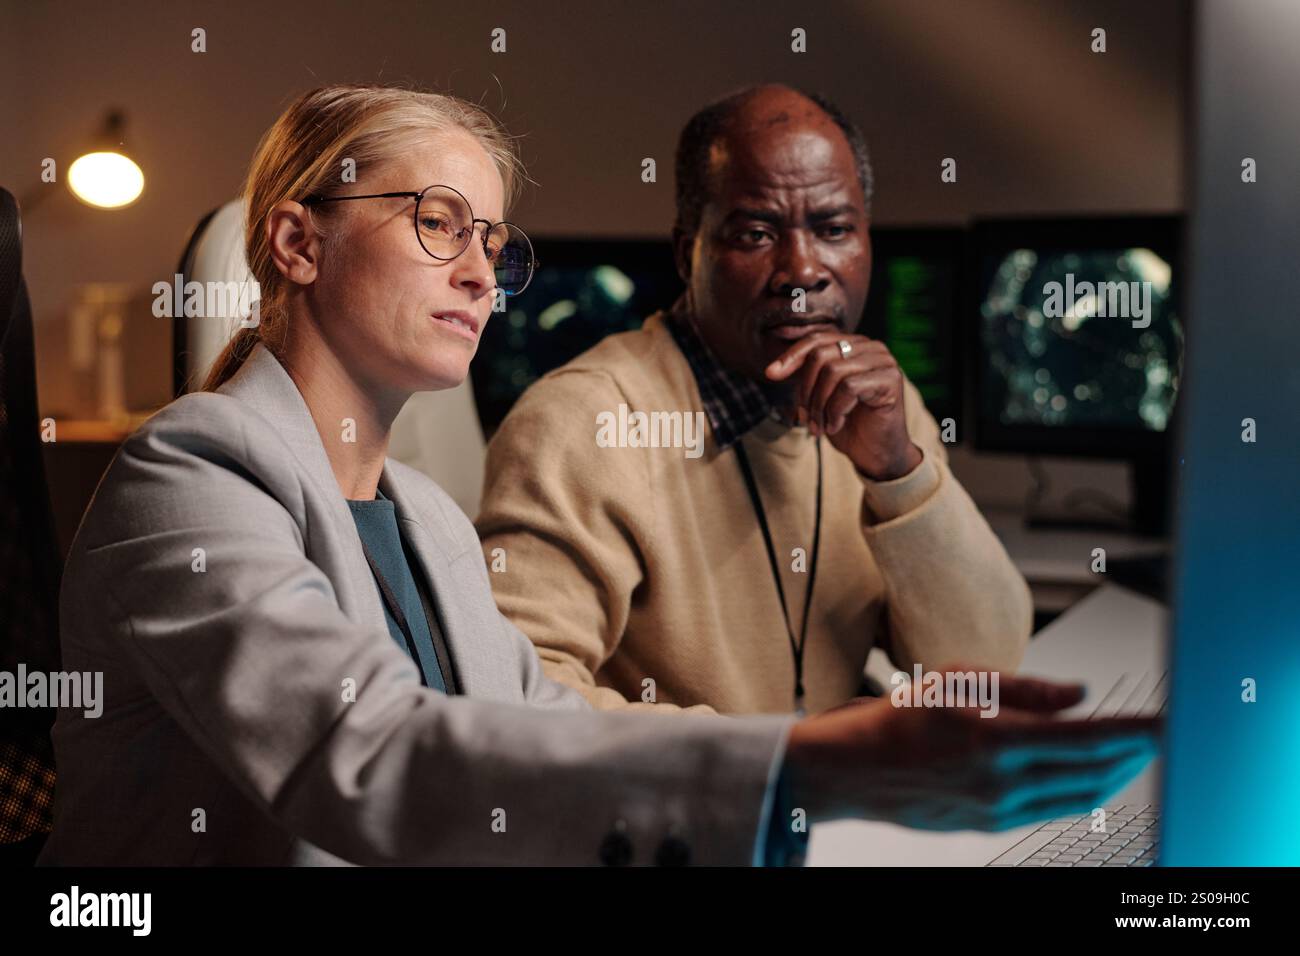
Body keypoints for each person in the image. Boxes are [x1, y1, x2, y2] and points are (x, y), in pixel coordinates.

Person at [38, 84, 1156, 867]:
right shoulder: (187, 475)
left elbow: (523, 720)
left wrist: (808, 766)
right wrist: (815, 766)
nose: (483, 272)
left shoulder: (424, 514)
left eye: (494, 242)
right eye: (438, 224)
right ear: (294, 243)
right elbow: (370, 750)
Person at [477, 84, 1033, 716]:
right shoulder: (585, 423)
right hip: (686, 811)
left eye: (833, 229)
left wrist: (898, 471)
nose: (802, 271)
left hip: (830, 802)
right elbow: (517, 701)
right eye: (756, 234)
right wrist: (778, 760)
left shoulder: (882, 408)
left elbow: (985, 671)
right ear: (688, 253)